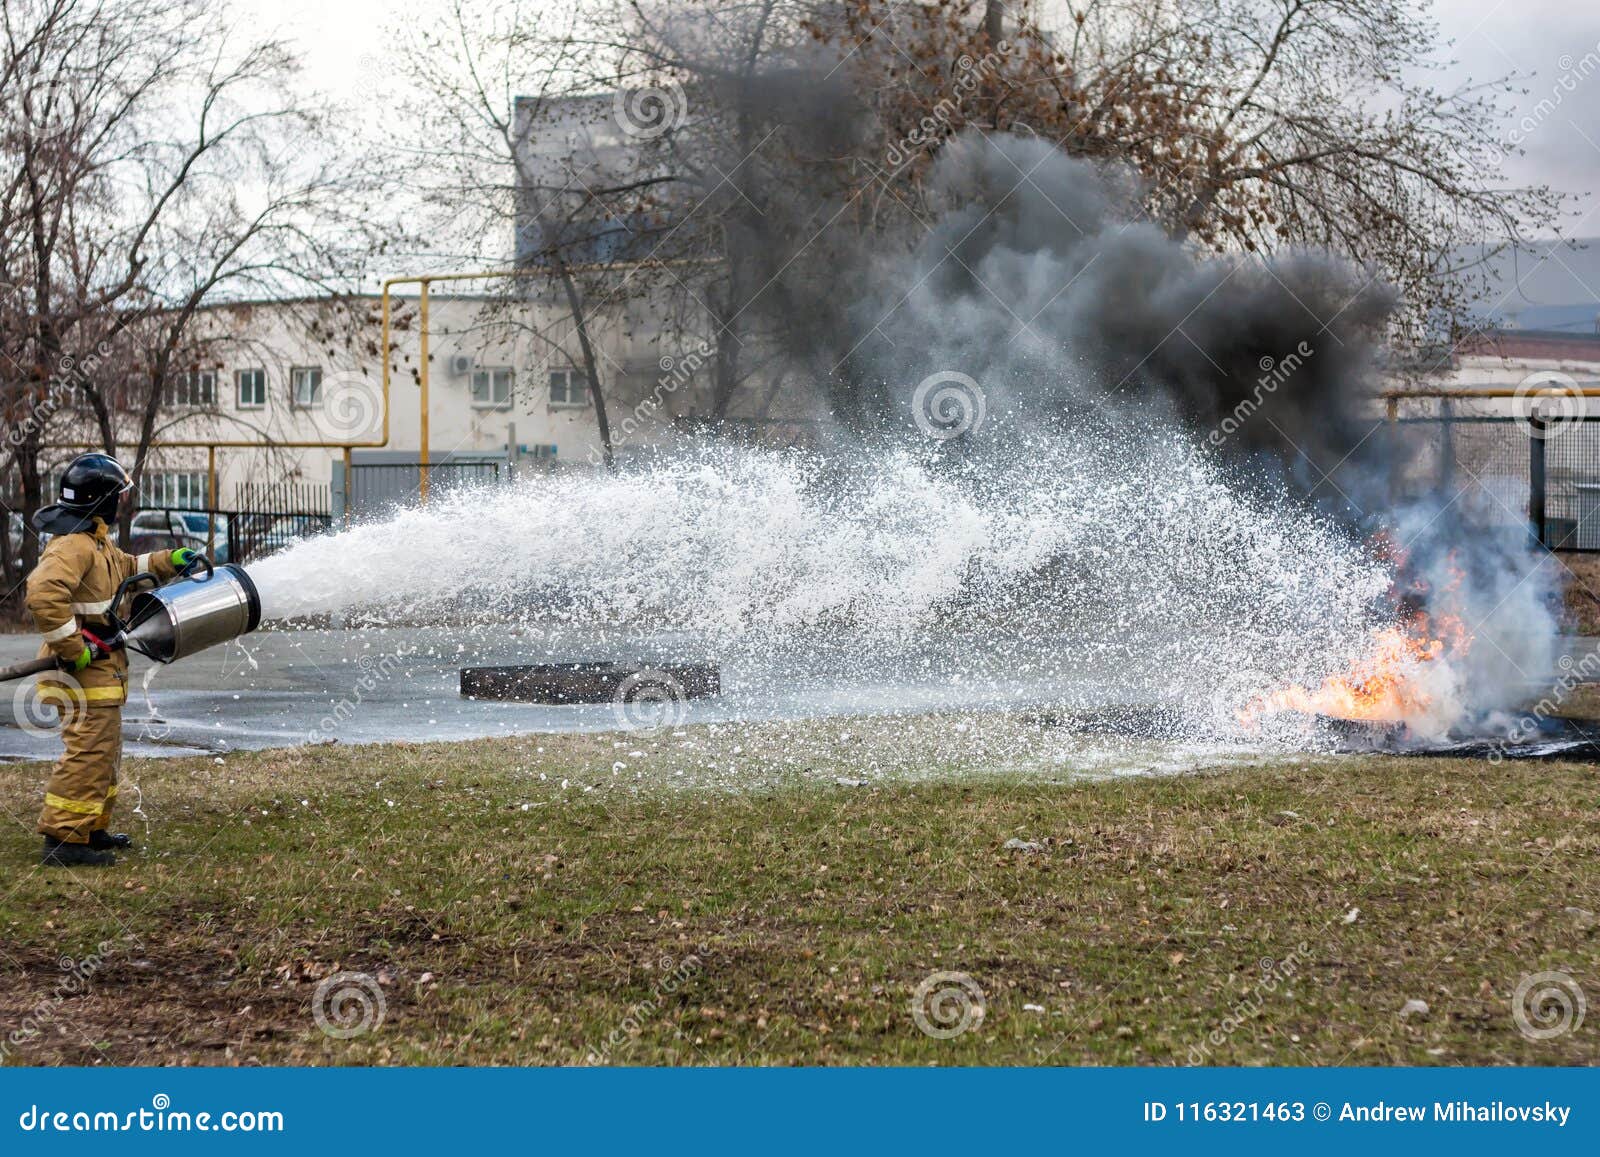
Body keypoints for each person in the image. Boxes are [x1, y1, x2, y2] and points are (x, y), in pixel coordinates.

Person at [24, 453, 197, 867]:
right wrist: (75, 649)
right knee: (87, 755)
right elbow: (43, 595)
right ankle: (65, 842)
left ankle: (90, 829)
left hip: (101, 674)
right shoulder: (72, 545)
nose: (120, 502)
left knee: (103, 756)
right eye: (115, 495)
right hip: (80, 675)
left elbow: (126, 568)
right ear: (99, 500)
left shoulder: (96, 541)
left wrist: (168, 562)